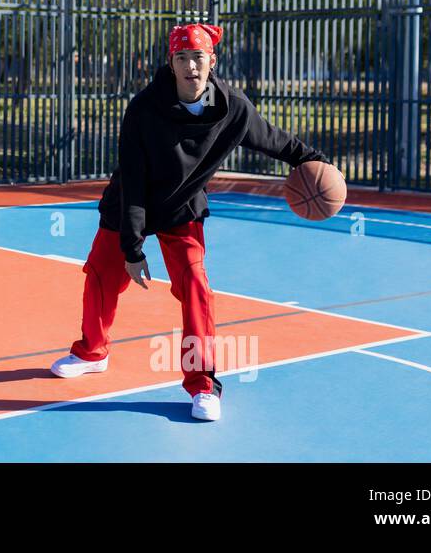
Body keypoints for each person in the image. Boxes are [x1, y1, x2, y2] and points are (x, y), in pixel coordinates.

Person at [49, 23, 331, 421]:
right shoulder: (144, 109)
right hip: (132, 200)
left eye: (198, 57)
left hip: (181, 208)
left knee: (196, 288)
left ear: (211, 61)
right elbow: (132, 180)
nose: (191, 66)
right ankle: (92, 352)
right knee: (100, 276)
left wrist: (317, 163)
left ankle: (202, 385)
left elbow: (277, 141)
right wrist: (132, 248)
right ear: (172, 63)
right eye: (182, 58)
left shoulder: (232, 108)